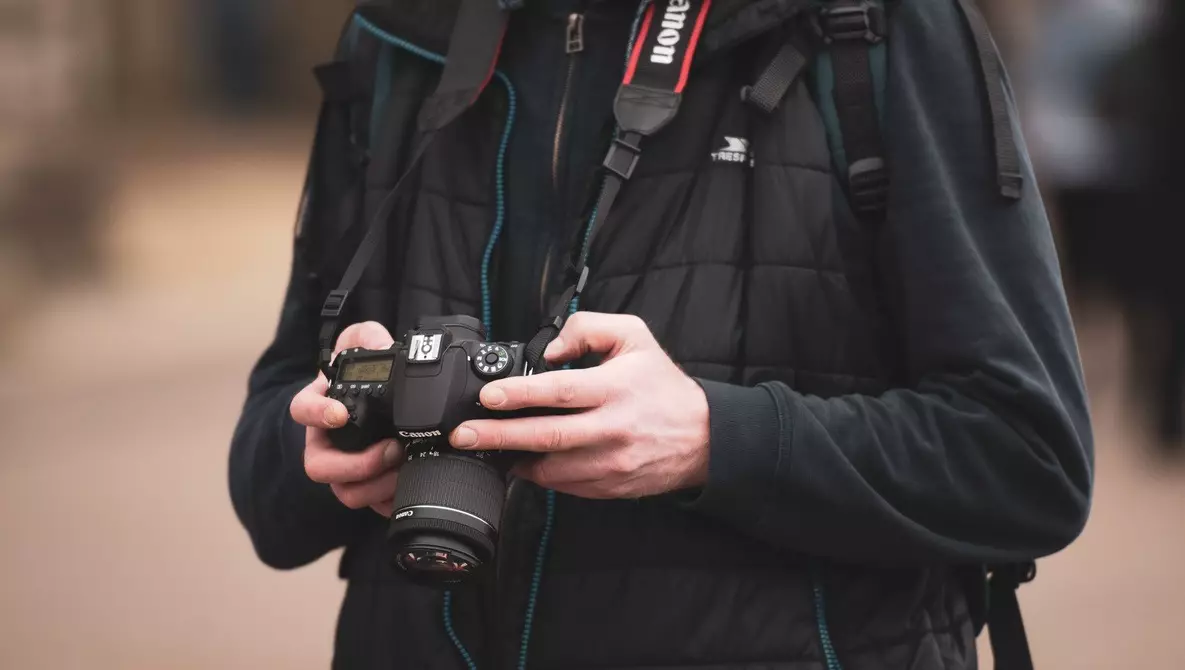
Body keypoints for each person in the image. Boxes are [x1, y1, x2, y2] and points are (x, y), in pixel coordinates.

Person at [229, 1, 1093, 669]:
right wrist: (328, 445)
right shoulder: (397, 36)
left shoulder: (874, 31)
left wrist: (716, 440)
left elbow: (1028, 457)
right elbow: (267, 492)